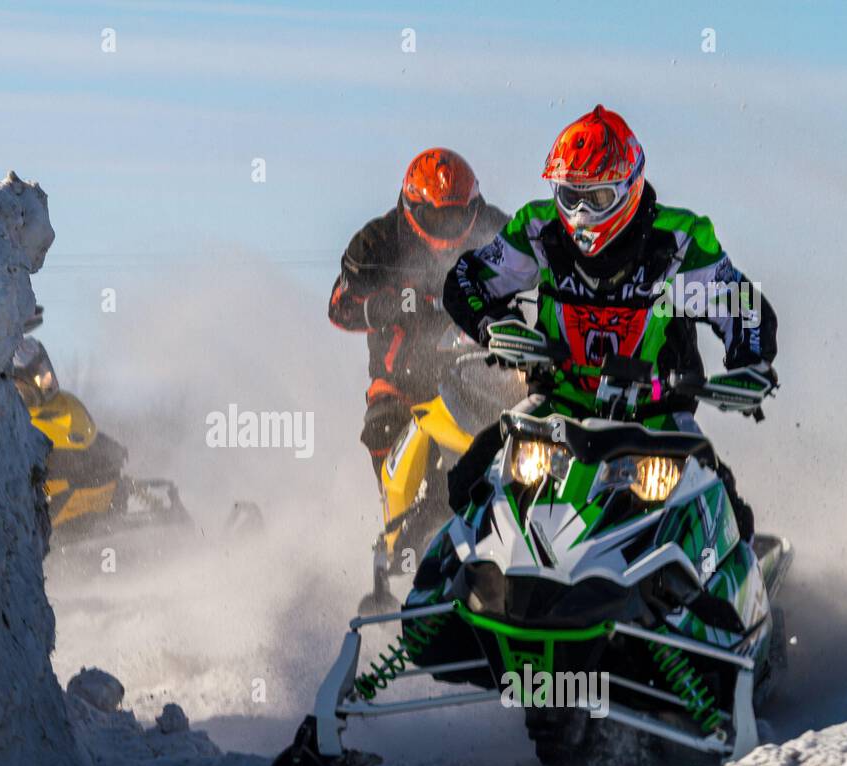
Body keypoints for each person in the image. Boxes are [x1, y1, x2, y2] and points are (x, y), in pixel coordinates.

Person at [442, 105, 777, 540]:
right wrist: (494, 325)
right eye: (570, 195)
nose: (581, 213)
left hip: (656, 414)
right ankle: (450, 588)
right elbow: (466, 279)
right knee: (467, 482)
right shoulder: (539, 230)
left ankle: (738, 598)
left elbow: (742, 307)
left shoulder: (678, 242)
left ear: (629, 188)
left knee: (725, 513)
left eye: (596, 198)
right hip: (558, 404)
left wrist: (751, 364)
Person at [329, 148, 509, 479]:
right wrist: (393, 303)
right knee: (383, 429)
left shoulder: (495, 230)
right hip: (402, 380)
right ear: (414, 209)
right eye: (438, 218)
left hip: (485, 371)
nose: (449, 229)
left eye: (456, 216)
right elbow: (340, 307)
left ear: (472, 209)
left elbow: (541, 273)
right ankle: (396, 522)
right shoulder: (376, 243)